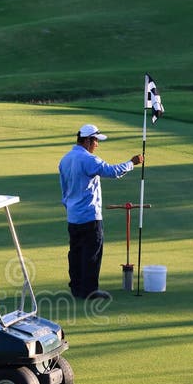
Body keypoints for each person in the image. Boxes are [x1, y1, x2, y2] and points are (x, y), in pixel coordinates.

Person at [59, 124, 143, 300]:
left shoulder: (65, 159)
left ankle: (76, 288)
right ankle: (89, 291)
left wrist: (70, 208)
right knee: (92, 254)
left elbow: (64, 190)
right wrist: (131, 163)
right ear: (88, 140)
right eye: (96, 140)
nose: (97, 144)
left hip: (73, 216)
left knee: (75, 252)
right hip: (89, 216)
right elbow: (111, 171)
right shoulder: (89, 159)